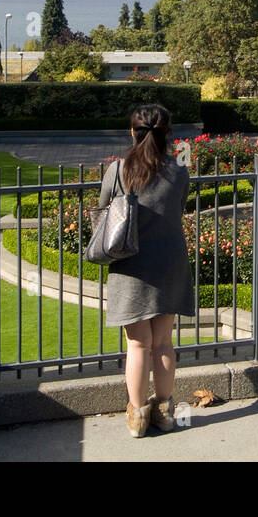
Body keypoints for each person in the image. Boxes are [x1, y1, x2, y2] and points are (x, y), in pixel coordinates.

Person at [98, 104, 196, 436]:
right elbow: (179, 208)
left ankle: (138, 418)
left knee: (138, 344)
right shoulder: (180, 170)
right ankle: (165, 413)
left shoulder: (117, 170)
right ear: (168, 134)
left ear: (132, 133)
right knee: (164, 343)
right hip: (169, 261)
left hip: (130, 264)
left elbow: (102, 216)